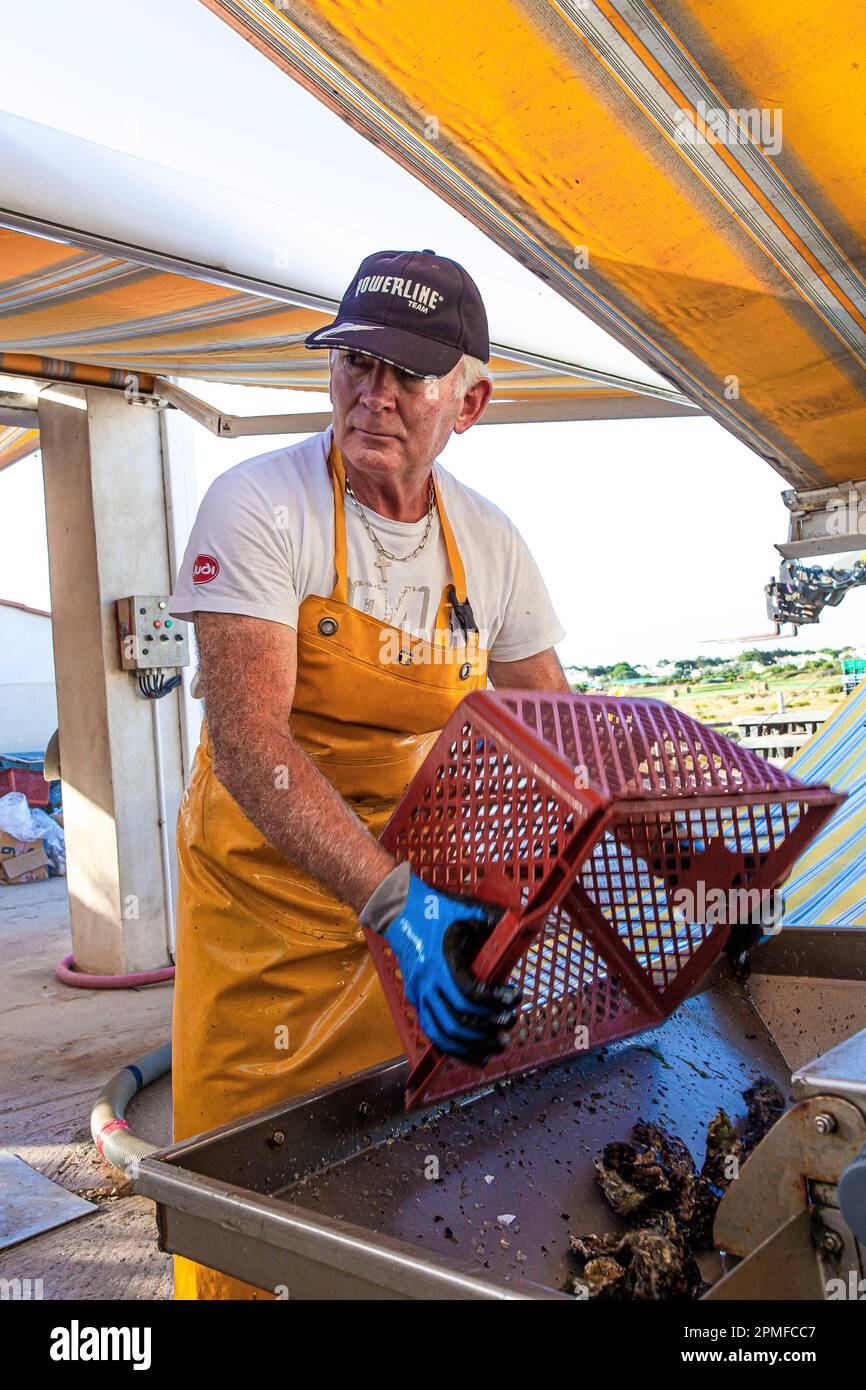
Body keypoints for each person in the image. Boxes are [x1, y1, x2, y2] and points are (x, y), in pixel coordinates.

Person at [168, 248, 570, 1298]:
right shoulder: (258, 504)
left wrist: (678, 856)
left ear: (468, 401)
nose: (372, 393)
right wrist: (393, 903)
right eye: (354, 361)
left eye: (407, 373)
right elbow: (252, 750)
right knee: (251, 1211)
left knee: (394, 1200)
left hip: (419, 912)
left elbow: (558, 736)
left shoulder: (489, 542)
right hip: (272, 925)